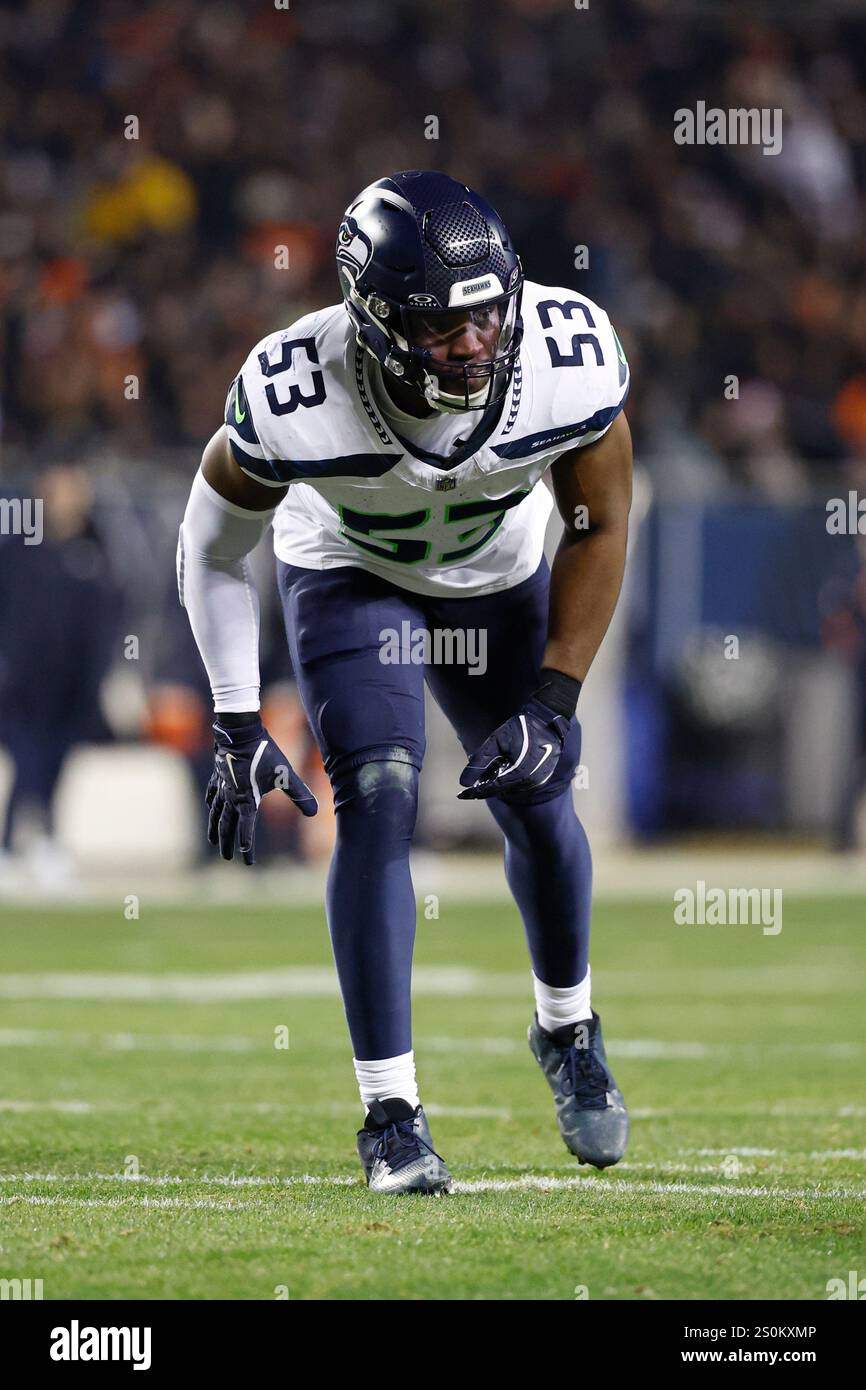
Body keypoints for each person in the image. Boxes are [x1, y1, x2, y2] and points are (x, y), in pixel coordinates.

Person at [177, 171, 633, 1194]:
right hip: (348, 576)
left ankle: (567, 1028)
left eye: (484, 316)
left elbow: (600, 523)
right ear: (372, 320)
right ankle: (390, 1112)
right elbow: (208, 543)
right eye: (440, 327)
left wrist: (553, 703)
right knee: (376, 797)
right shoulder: (297, 387)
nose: (472, 344)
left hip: (496, 579)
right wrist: (234, 710)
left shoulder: (565, 357)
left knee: (539, 793)